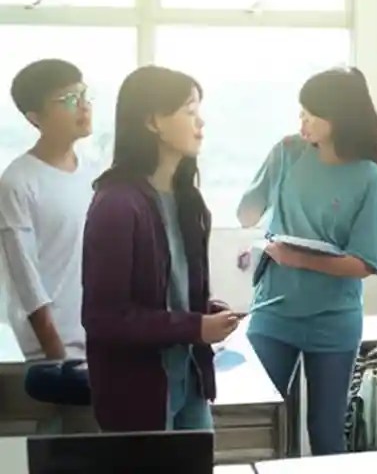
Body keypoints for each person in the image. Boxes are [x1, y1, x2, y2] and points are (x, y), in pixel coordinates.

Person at [238, 67, 377, 456]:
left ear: (338, 118)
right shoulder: (288, 153)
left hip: (333, 320)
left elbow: (365, 263)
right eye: (300, 112)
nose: (302, 122)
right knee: (261, 427)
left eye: (311, 114)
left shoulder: (371, 179)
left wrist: (298, 259)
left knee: (325, 433)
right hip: (274, 312)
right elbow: (247, 215)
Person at [82, 65, 241, 431]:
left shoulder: (188, 199)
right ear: (153, 121)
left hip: (190, 381)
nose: (200, 123)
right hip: (139, 393)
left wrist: (204, 313)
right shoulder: (117, 205)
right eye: (189, 111)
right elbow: (104, 318)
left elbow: (170, 292)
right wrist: (194, 325)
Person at [0, 60, 93, 409]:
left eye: (84, 94)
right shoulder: (18, 182)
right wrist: (60, 357)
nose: (83, 106)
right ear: (34, 117)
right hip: (55, 357)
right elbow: (27, 282)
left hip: (96, 340)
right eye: (68, 99)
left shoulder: (92, 173)